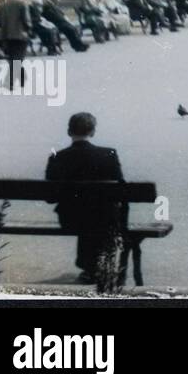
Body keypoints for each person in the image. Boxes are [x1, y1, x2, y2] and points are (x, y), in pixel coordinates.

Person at [45, 112, 127, 284]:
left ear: (69, 132)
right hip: (104, 219)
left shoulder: (57, 157)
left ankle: (90, 269)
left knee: (86, 214)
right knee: (99, 213)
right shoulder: (109, 154)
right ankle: (97, 268)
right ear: (93, 132)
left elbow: (50, 197)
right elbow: (120, 190)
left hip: (70, 220)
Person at [0, 0, 33, 87]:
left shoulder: (3, 5)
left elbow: (0, 22)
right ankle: (10, 81)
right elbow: (27, 21)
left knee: (14, 58)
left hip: (7, 35)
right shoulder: (23, 3)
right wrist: (29, 30)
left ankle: (22, 79)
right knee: (18, 58)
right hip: (20, 35)